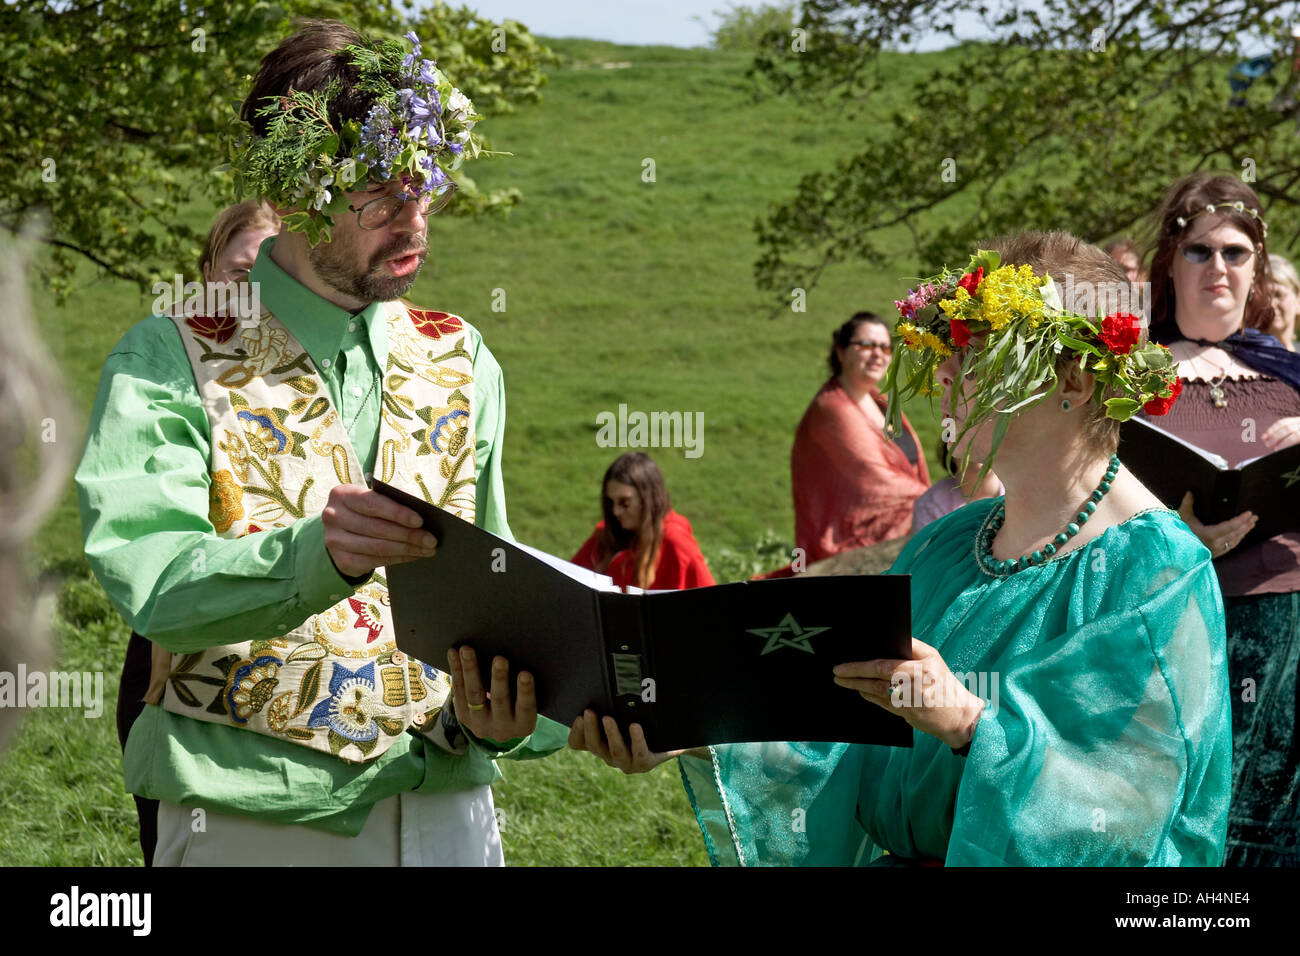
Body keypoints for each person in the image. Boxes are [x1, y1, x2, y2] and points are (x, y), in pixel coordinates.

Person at [572, 231, 1232, 866]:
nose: (948, 375)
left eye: (980, 355)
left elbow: (1129, 816)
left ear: (1075, 383)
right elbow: (844, 742)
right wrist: (693, 733)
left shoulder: (1155, 570)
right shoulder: (949, 543)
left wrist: (969, 724)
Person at [77, 19, 564, 867]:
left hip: (455, 816)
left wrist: (532, 707)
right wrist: (316, 556)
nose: (415, 222)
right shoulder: (169, 353)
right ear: (296, 189)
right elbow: (151, 580)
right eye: (382, 195)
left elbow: (495, 572)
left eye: (427, 188)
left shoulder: (464, 355)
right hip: (254, 822)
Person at [113, 198, 281, 866]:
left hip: (294, 661)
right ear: (207, 270)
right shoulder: (167, 363)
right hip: (171, 646)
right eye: (239, 269)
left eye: (271, 273)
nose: (250, 290)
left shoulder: (321, 382)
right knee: (171, 838)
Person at [1140, 172, 1300, 866]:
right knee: (1211, 827)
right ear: (1170, 264)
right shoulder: (1127, 376)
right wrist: (1178, 542)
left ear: (1257, 266)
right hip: (1188, 629)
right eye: (1200, 251)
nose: (1219, 268)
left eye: (1236, 252)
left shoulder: (1288, 373)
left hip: (1295, 617)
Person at [791, 313, 930, 564]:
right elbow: (875, 484)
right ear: (841, 352)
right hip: (854, 543)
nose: (878, 354)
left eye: (885, 347)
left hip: (904, 530)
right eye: (867, 345)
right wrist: (939, 502)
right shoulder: (832, 409)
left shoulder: (881, 401)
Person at [572, 452, 714, 590]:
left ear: (648, 499)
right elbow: (569, 581)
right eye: (611, 502)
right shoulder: (604, 536)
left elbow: (713, 601)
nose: (615, 511)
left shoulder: (675, 543)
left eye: (624, 502)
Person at [910, 436, 1003, 533]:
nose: (977, 445)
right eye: (967, 439)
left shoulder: (1018, 495)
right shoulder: (931, 506)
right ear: (950, 450)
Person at [1268, 253, 1299, 350]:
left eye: (1278, 295)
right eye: (1263, 297)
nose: (1271, 304)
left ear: (1298, 300)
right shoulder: (1240, 360)